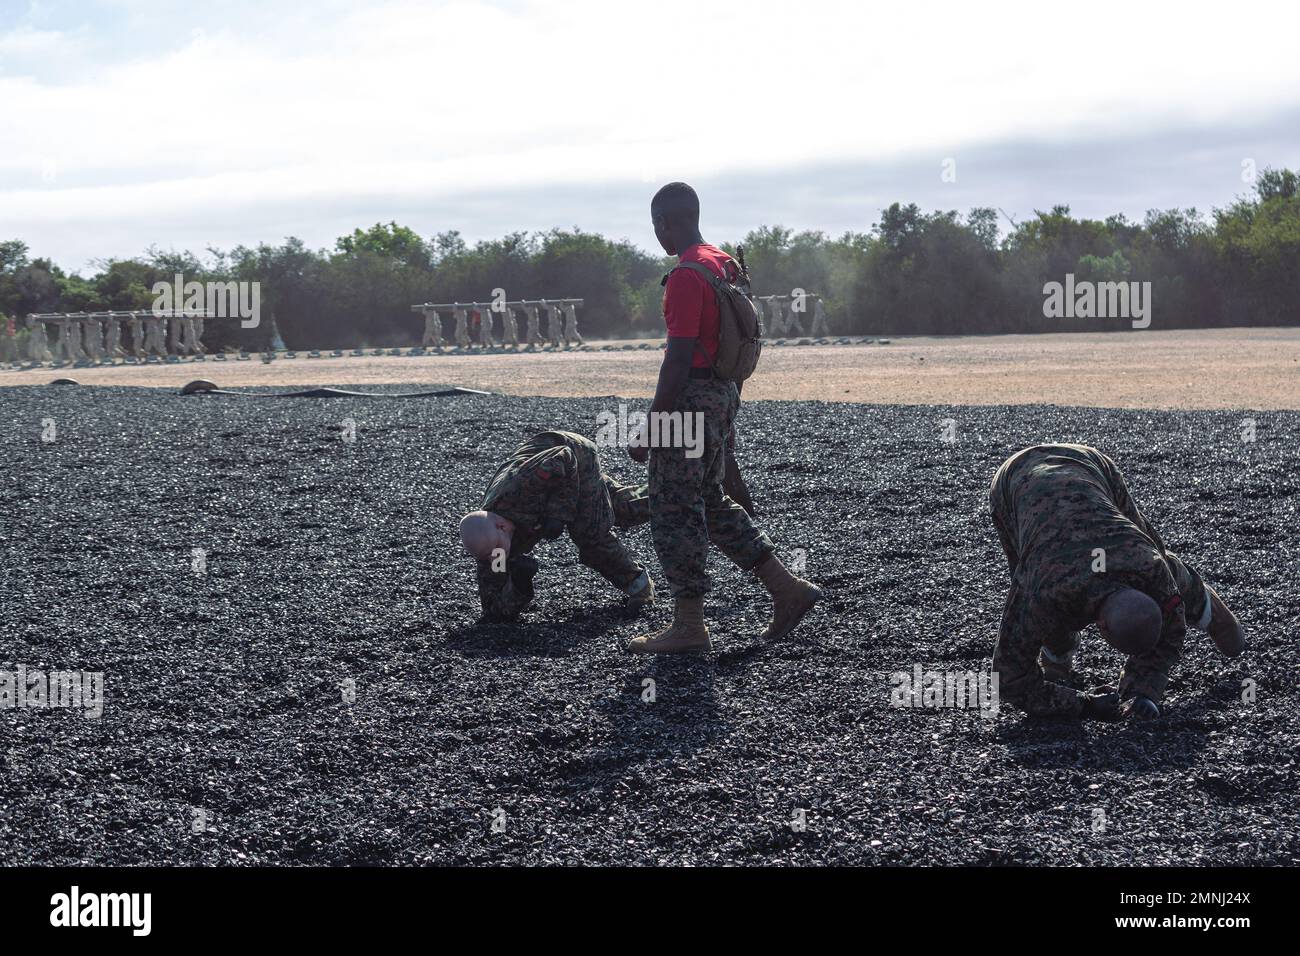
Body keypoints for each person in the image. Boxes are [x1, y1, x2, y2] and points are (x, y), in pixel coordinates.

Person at [627, 182, 821, 654]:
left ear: (663, 224)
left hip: (691, 401)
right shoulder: (724, 264)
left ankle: (689, 627)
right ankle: (787, 589)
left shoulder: (687, 276)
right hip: (723, 393)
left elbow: (677, 361)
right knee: (709, 502)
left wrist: (650, 428)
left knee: (673, 507)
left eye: (656, 227)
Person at [989, 443, 1245, 721]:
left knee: (1166, 563)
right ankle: (1057, 660)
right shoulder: (1044, 588)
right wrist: (1081, 704)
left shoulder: (1150, 566)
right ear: (1102, 627)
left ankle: (1216, 616)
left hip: (1092, 466)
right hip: (1014, 478)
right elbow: (1009, 678)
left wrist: (1144, 694)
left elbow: (1172, 623)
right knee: (1041, 610)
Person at [460, 431, 656, 622]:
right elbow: (494, 609)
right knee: (614, 506)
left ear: (501, 526)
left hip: (574, 454)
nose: (497, 558)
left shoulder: (519, 488)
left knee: (589, 535)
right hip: (553, 479)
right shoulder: (490, 543)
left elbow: (564, 456)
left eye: (497, 552)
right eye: (492, 557)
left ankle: (639, 587)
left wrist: (558, 514)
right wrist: (520, 584)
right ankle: (674, 492)